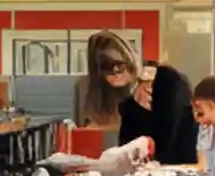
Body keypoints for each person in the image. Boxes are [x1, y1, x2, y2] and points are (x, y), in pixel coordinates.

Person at [83, 30, 198, 165]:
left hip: (177, 167)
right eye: (107, 68)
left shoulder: (167, 81)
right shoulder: (127, 104)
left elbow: (170, 140)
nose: (115, 72)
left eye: (119, 66)